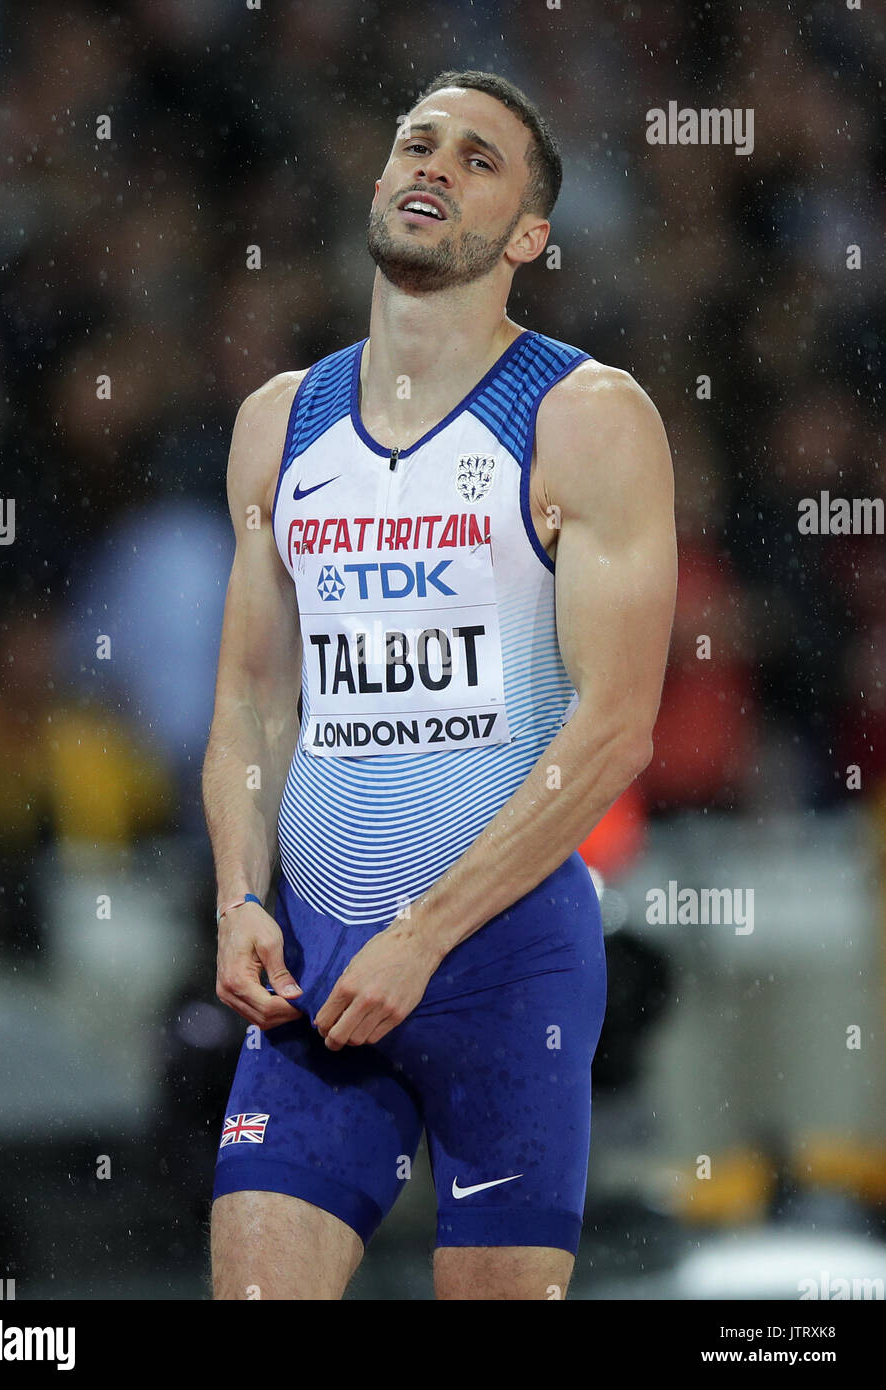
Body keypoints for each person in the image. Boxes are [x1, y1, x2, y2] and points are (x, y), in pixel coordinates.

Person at [203, 69, 677, 1301]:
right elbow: (253, 708)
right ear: (375, 177)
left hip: (499, 961)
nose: (432, 165)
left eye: (477, 159)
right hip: (309, 962)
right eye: (416, 142)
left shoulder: (585, 418)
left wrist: (422, 933)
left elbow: (616, 729)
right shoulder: (277, 422)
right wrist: (236, 898)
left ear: (528, 236)